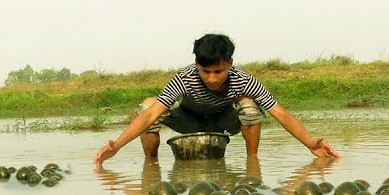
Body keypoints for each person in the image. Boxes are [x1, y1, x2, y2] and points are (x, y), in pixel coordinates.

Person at [93, 34, 341, 166]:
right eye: (206, 71)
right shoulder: (185, 77)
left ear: (230, 64)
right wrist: (117, 146)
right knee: (149, 105)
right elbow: (149, 114)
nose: (212, 78)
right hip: (189, 121)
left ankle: (251, 163)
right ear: (197, 65)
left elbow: (281, 114)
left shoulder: (243, 79)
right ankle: (151, 165)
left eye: (218, 72)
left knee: (250, 106)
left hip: (224, 121)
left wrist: (310, 142)